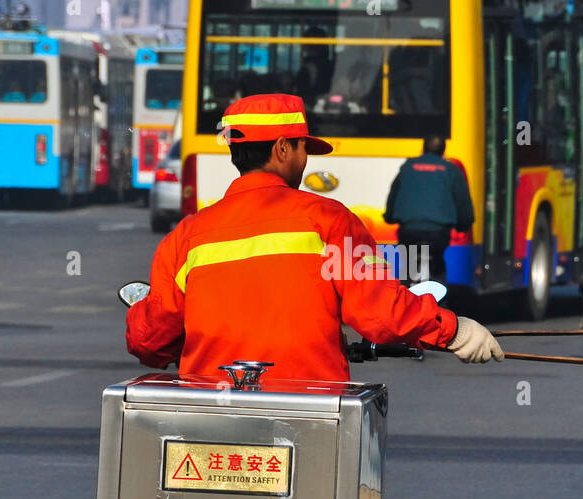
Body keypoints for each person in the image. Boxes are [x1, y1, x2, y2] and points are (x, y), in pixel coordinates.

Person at [126, 94, 503, 381]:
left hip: (211, 414)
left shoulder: (186, 237)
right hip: (311, 411)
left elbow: (151, 339)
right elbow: (381, 313)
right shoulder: (330, 221)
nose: (306, 158)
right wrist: (453, 331)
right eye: (304, 146)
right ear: (282, 148)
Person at [384, 136, 474, 284]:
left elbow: (393, 196)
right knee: (437, 268)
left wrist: (389, 217)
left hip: (409, 231)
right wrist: (463, 225)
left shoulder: (408, 167)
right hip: (438, 234)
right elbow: (463, 203)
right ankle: (438, 299)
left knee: (408, 269)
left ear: (422, 150)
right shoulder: (451, 170)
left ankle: (406, 294)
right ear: (444, 153)